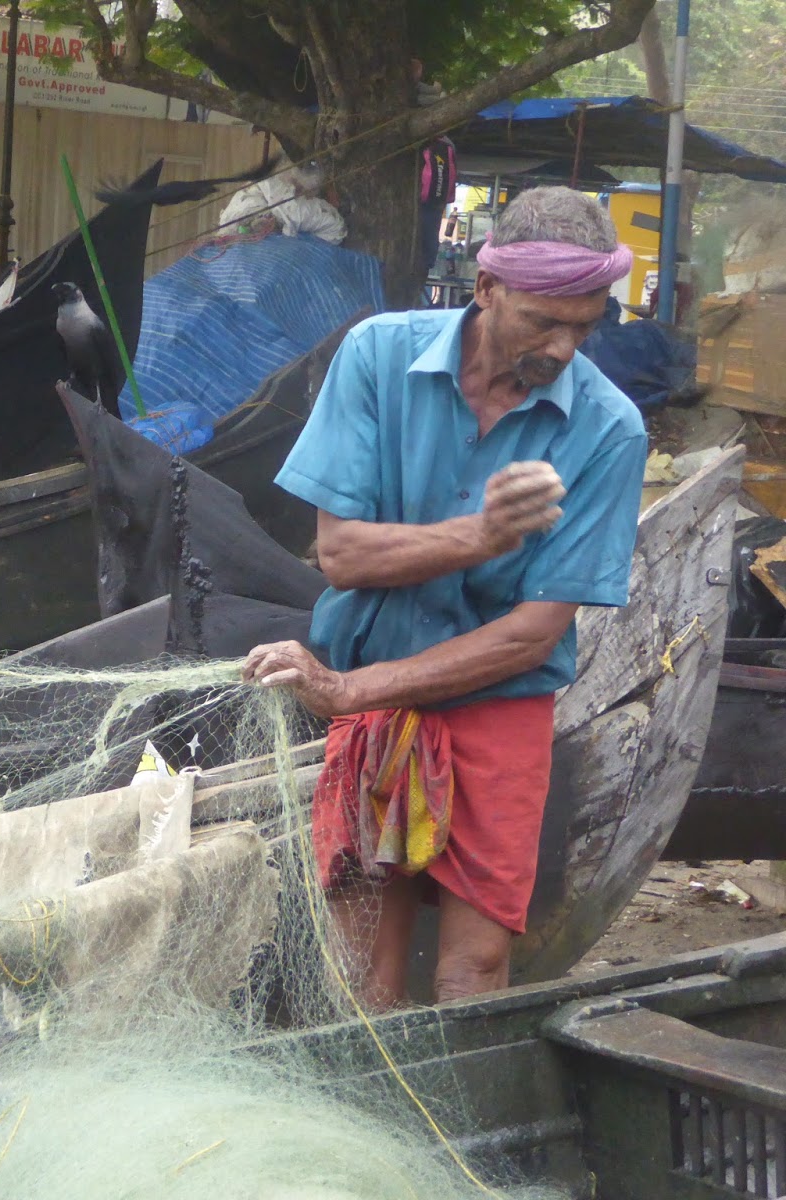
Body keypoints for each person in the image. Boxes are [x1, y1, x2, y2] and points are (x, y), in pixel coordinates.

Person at [240, 186, 646, 1009]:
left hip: (493, 705)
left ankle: (459, 1126)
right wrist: (481, 537)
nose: (566, 347)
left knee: (474, 967)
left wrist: (345, 690)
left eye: (587, 325)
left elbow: (530, 637)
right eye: (544, 321)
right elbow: (342, 554)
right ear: (487, 290)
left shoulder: (611, 429)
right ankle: (365, 1127)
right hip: (369, 692)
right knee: (361, 966)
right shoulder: (378, 357)